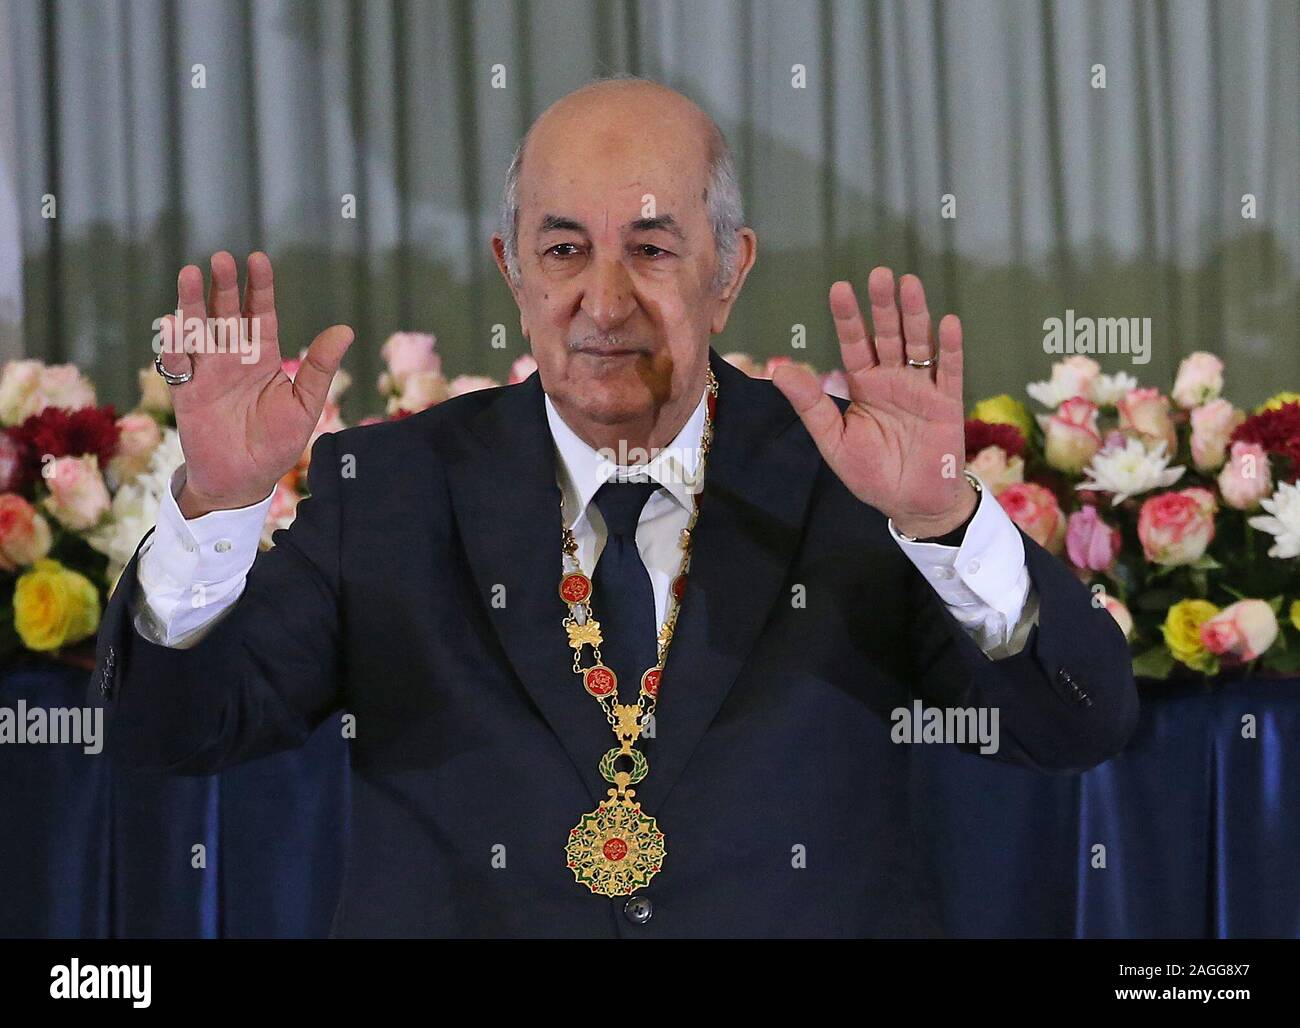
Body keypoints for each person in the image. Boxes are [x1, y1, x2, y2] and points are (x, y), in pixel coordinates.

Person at [91, 76, 1138, 937]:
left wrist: (943, 519)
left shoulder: (852, 477)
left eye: (650, 248)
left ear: (728, 271)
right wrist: (215, 508)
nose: (603, 300)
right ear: (511, 270)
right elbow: (173, 731)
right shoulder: (390, 486)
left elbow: (1076, 725)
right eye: (562, 251)